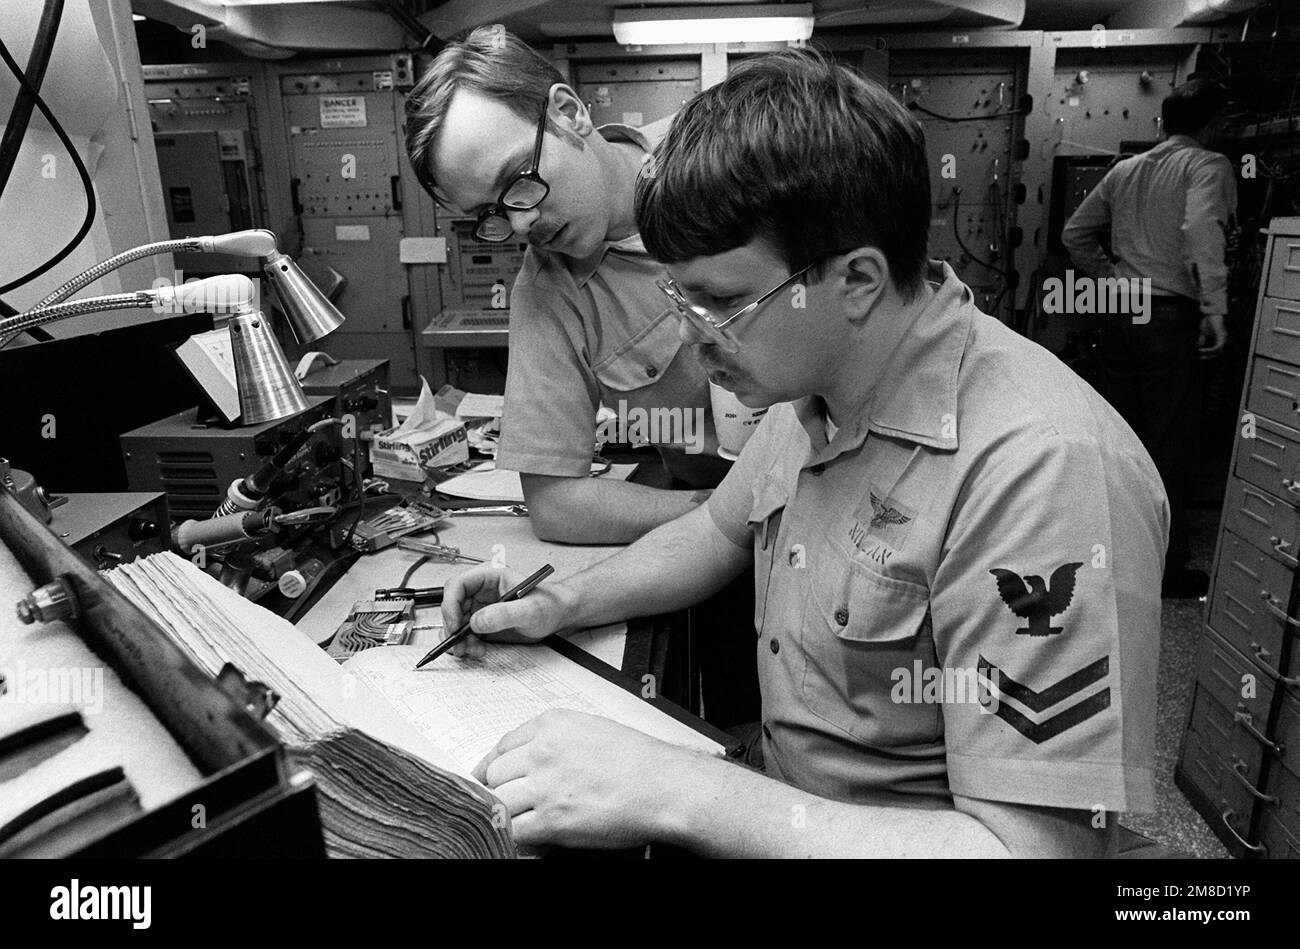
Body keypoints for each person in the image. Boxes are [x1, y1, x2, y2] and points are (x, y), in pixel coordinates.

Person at [437, 50, 1168, 857]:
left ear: (855, 280)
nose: (689, 336)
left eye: (717, 301)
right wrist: (560, 604)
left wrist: (680, 789)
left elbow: (1035, 853)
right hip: (790, 797)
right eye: (680, 295)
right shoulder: (815, 378)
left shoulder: (1044, 472)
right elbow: (714, 532)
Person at [403, 26, 731, 545]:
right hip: (717, 512)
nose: (521, 224)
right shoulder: (549, 293)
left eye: (517, 181)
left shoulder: (730, 151)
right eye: (488, 214)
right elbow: (558, 505)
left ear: (569, 113)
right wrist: (741, 506)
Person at [1062, 78, 1236, 599]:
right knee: (1168, 446)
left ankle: (1106, 557)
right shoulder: (1210, 166)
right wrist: (1215, 310)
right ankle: (1164, 570)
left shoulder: (1126, 169)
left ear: (1163, 121)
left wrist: (1114, 283)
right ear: (1214, 123)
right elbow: (1202, 232)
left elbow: (1075, 234)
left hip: (1121, 315)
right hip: (1169, 318)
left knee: (1120, 440)